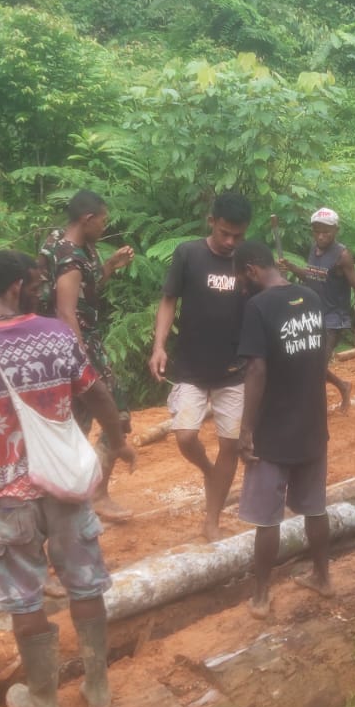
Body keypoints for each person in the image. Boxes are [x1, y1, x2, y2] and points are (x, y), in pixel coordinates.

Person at [0, 250, 135, 707]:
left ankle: (44, 699)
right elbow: (98, 394)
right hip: (64, 485)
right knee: (85, 584)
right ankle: (98, 688)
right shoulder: (57, 335)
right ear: (13, 288)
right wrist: (120, 441)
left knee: (24, 598)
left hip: (9, 496)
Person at [234, 242, 334, 618]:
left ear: (251, 270)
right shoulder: (309, 298)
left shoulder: (258, 307)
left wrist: (246, 430)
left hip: (274, 430)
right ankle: (323, 577)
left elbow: (256, 370)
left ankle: (261, 596)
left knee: (267, 519)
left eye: (242, 277)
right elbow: (319, 351)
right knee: (315, 509)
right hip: (312, 424)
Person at [150, 191, 252, 541]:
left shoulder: (248, 261)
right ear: (211, 221)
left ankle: (213, 517)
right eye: (224, 233)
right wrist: (159, 346)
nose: (229, 242)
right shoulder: (188, 254)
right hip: (191, 365)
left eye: (237, 236)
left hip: (234, 370)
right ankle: (208, 471)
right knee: (186, 436)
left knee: (231, 445)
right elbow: (168, 301)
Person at [40, 189, 136, 520]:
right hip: (79, 345)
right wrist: (81, 362)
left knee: (75, 422)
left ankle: (66, 499)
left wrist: (109, 265)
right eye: (103, 220)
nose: (105, 226)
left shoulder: (60, 242)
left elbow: (85, 289)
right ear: (87, 219)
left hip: (59, 346)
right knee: (116, 412)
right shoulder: (70, 258)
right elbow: (67, 312)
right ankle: (98, 494)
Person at [279, 207, 355, 413]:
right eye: (317, 231)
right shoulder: (314, 249)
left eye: (326, 232)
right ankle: (343, 386)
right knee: (310, 361)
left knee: (316, 365)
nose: (321, 236)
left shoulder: (342, 255)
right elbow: (312, 277)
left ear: (336, 230)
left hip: (335, 318)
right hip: (313, 315)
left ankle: (313, 409)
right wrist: (290, 267)